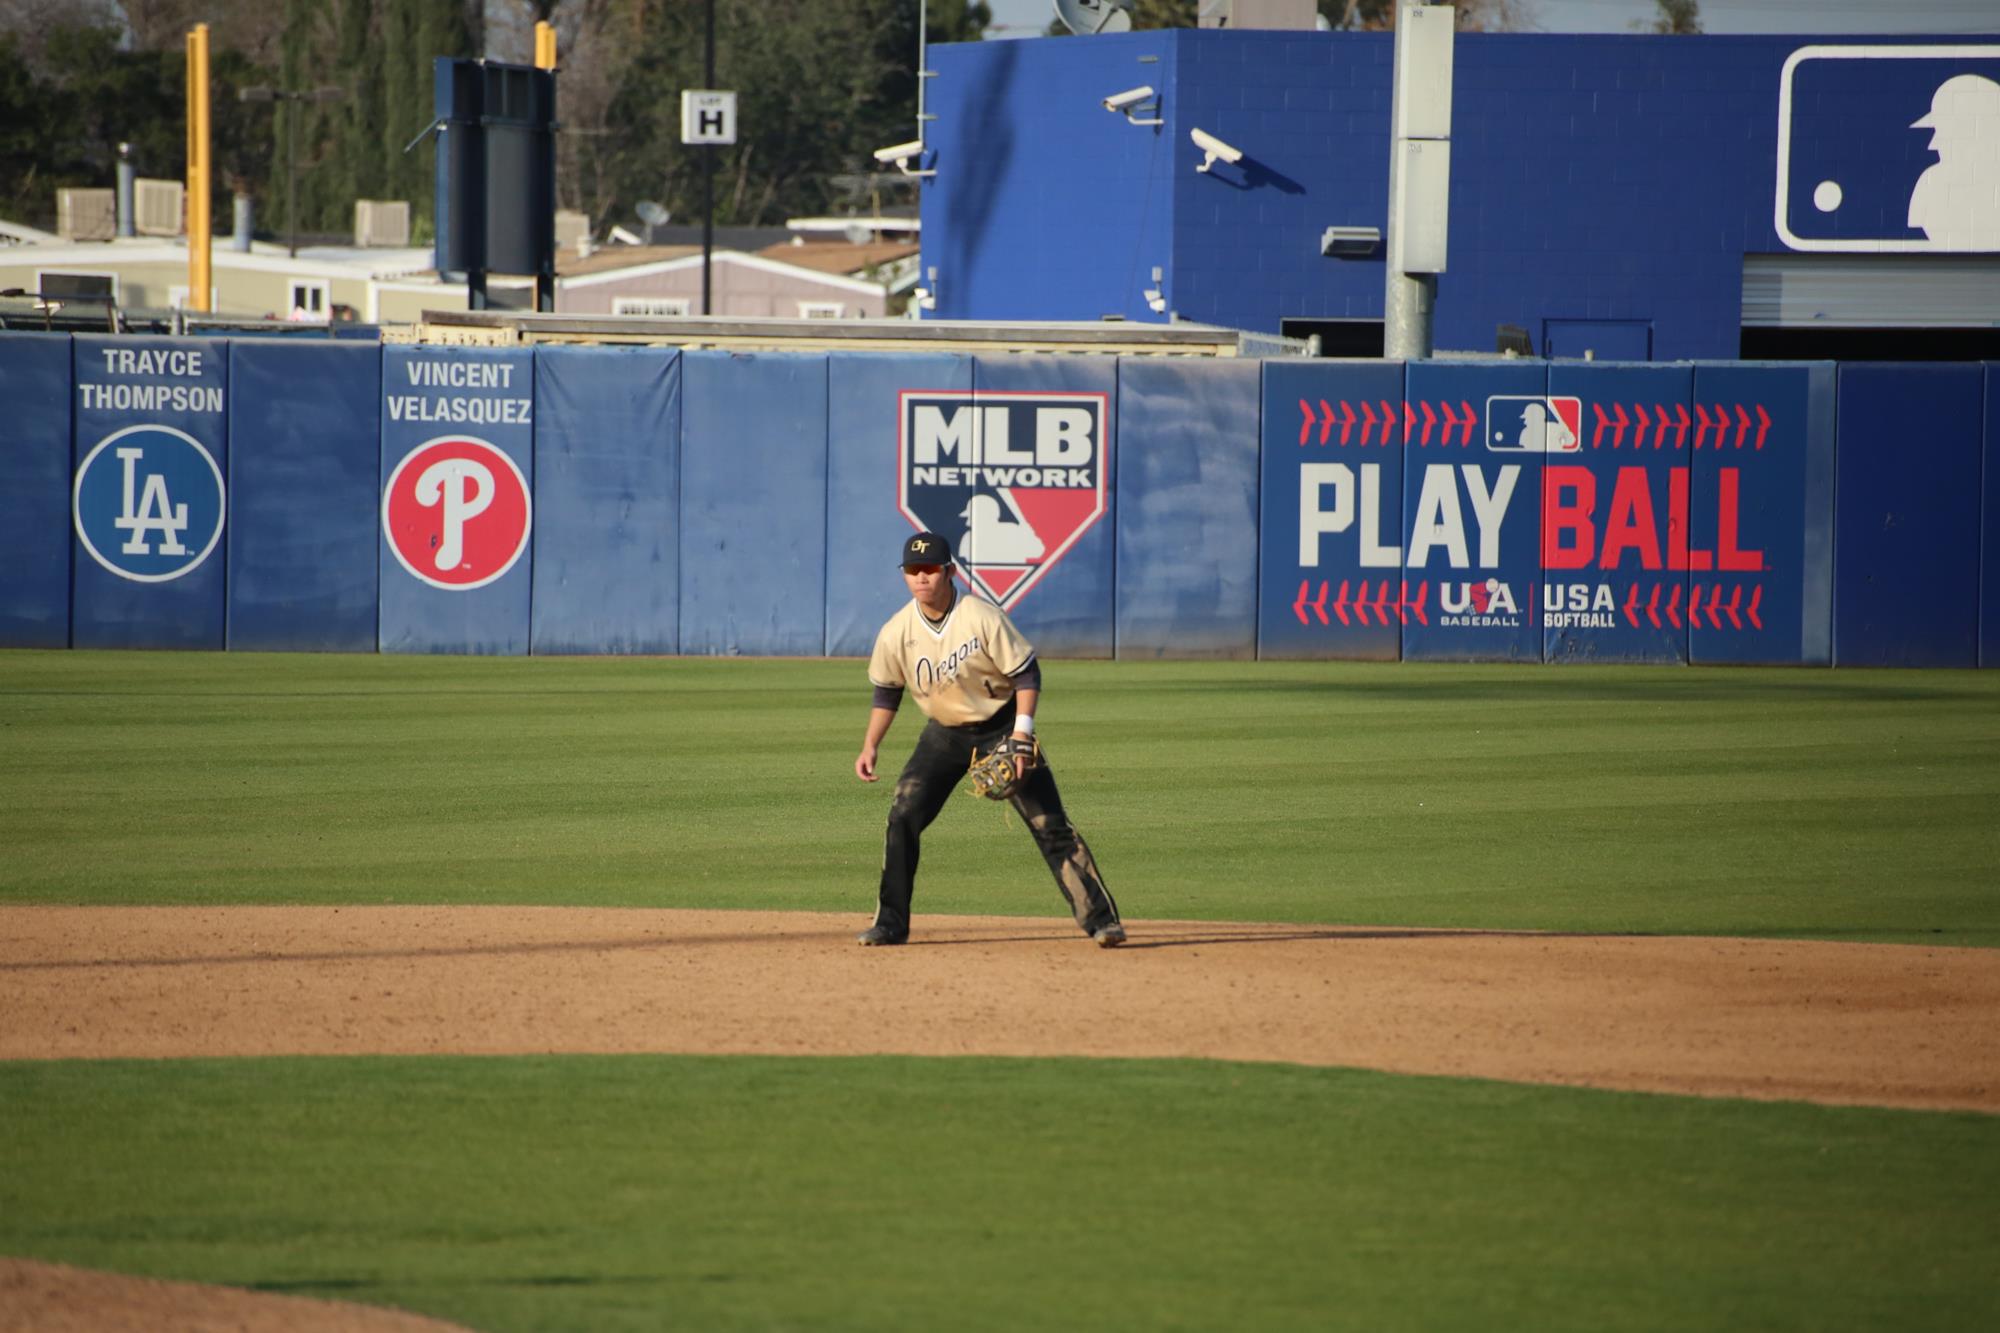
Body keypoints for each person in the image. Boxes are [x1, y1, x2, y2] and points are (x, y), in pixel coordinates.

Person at [853, 530, 1124, 948]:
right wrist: (871, 744)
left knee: (1049, 824)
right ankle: (890, 924)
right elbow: (887, 693)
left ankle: (1101, 921)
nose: (921, 577)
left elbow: (1027, 674)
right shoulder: (896, 632)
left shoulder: (981, 616)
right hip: (944, 735)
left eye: (930, 568)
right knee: (902, 815)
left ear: (949, 572)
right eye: (913, 569)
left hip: (1001, 727)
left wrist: (1021, 735)